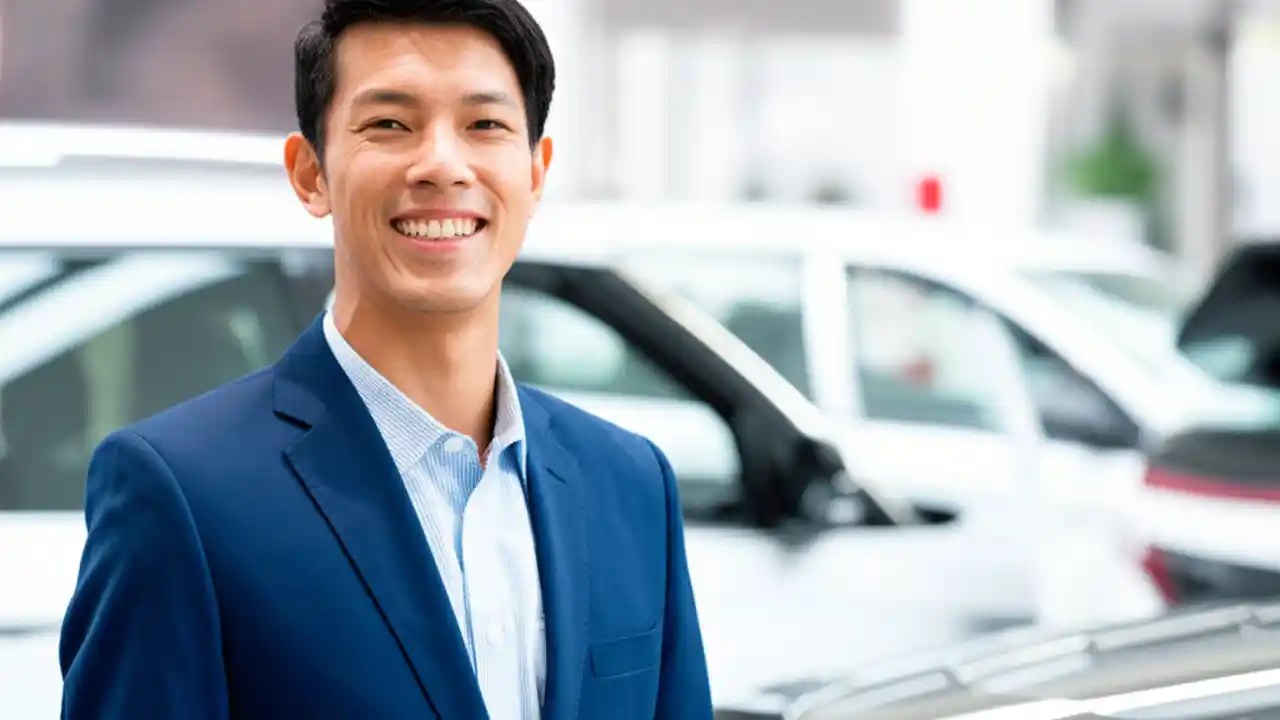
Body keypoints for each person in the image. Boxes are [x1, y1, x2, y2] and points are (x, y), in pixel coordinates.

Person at [57, 1, 713, 718]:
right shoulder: (181, 495)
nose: (441, 163)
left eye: (484, 125)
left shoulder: (631, 484)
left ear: (535, 171)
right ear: (310, 173)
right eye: (389, 124)